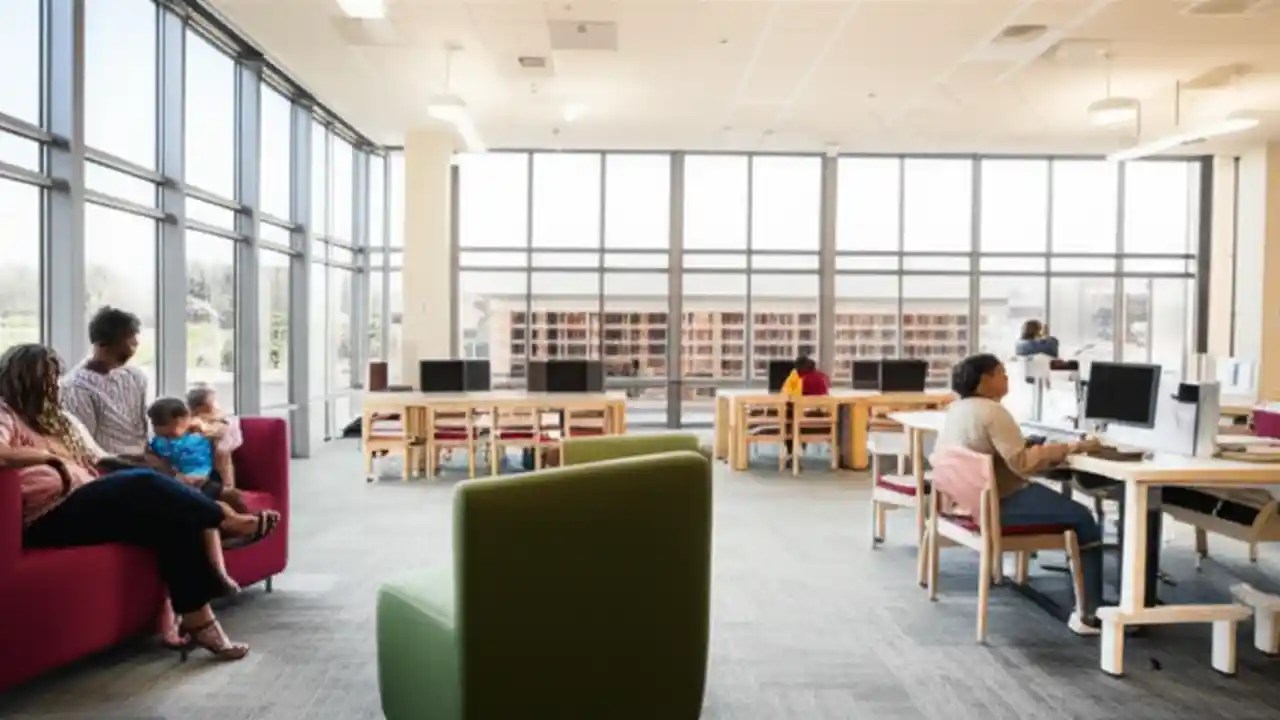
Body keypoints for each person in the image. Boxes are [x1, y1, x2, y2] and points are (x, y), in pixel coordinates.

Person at [0, 343, 273, 661]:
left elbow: (100, 458)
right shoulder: (5, 412)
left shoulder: (58, 420)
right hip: (49, 515)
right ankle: (224, 519)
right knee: (142, 482)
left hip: (87, 500)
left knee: (172, 520)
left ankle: (202, 624)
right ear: (20, 379)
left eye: (54, 377)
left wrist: (160, 473)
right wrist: (46, 457)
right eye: (45, 378)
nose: (53, 385)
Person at [935, 353, 1104, 635]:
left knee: (1052, 498)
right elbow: (1022, 463)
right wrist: (1070, 448)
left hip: (965, 503)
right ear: (985, 380)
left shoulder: (959, 409)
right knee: (1083, 518)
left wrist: (1039, 448)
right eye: (1001, 373)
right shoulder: (993, 411)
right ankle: (1090, 614)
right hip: (999, 504)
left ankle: (1087, 605)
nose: (1007, 378)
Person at [146, 397, 261, 595]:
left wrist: (206, 427)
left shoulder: (202, 433)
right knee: (206, 512)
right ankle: (221, 566)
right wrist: (172, 472)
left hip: (205, 480)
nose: (167, 437)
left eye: (170, 431)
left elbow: (226, 432)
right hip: (182, 485)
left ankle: (235, 530)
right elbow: (154, 459)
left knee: (211, 505)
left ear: (183, 419)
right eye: (159, 430)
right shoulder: (159, 444)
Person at [61, 306, 150, 456]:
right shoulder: (77, 387)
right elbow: (83, 446)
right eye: (129, 337)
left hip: (143, 459)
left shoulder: (136, 376)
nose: (136, 342)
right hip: (110, 463)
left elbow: (146, 429)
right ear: (103, 344)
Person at [186, 385, 243, 490]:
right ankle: (227, 486)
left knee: (222, 448)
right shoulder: (191, 420)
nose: (216, 405)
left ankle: (228, 486)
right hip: (197, 461)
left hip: (218, 454)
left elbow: (220, 429)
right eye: (212, 401)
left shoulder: (221, 418)